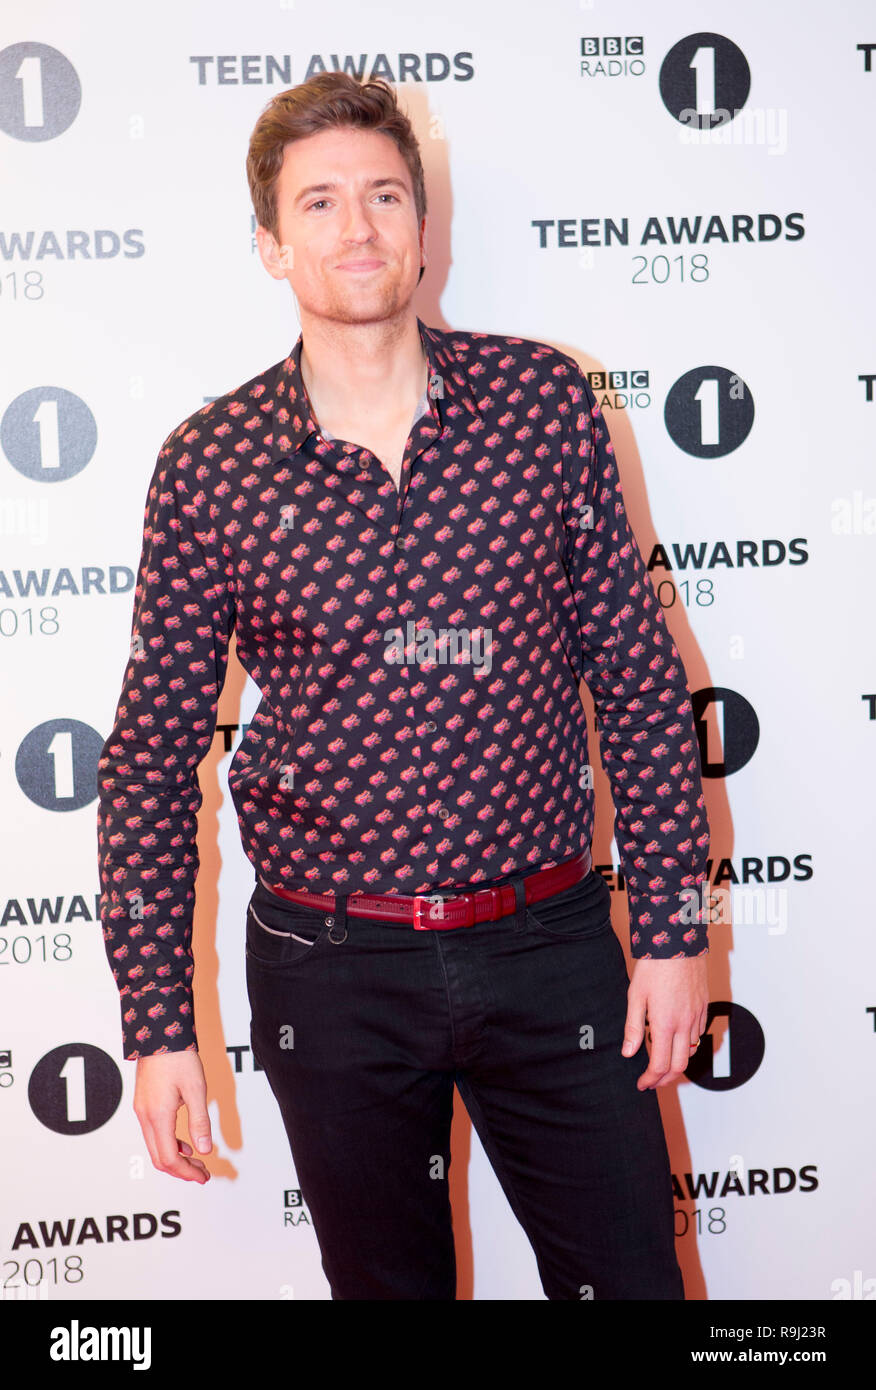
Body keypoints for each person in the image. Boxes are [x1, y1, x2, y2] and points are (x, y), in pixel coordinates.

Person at [96, 71, 710, 1300]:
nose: (358, 227)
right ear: (270, 243)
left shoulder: (544, 407)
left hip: (551, 950)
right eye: (318, 202)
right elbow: (152, 759)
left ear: (425, 228)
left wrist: (676, 929)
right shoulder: (210, 464)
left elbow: (640, 685)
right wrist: (158, 1024)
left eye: (384, 194)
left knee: (638, 1284)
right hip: (332, 973)